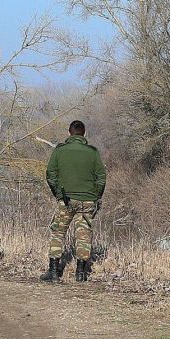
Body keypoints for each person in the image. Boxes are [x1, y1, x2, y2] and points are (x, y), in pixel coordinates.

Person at [43, 120, 106, 282]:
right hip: (87, 201)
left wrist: (57, 193)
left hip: (66, 199)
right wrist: (95, 196)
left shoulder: (60, 151)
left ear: (69, 132)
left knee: (58, 232)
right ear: (84, 134)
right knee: (84, 235)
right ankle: (81, 273)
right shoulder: (92, 152)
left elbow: (50, 174)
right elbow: (101, 177)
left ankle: (54, 271)